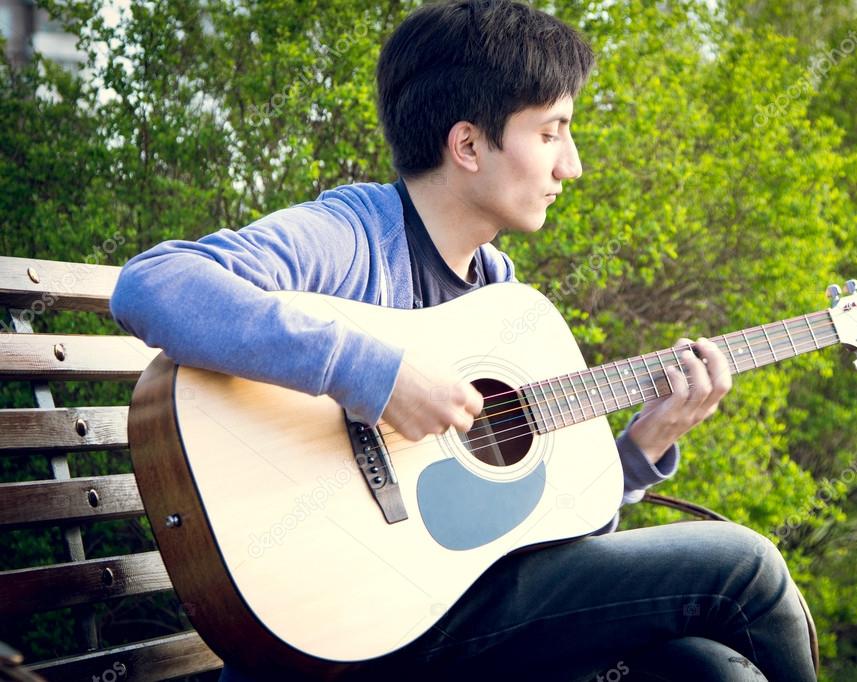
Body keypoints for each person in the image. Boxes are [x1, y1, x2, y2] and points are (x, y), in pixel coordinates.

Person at [109, 1, 816, 680]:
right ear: (468, 144)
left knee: (711, 669)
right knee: (743, 567)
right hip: (354, 629)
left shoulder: (494, 292)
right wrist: (372, 373)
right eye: (550, 133)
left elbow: (528, 536)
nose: (571, 166)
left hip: (450, 612)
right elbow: (154, 284)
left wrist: (640, 450)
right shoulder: (354, 237)